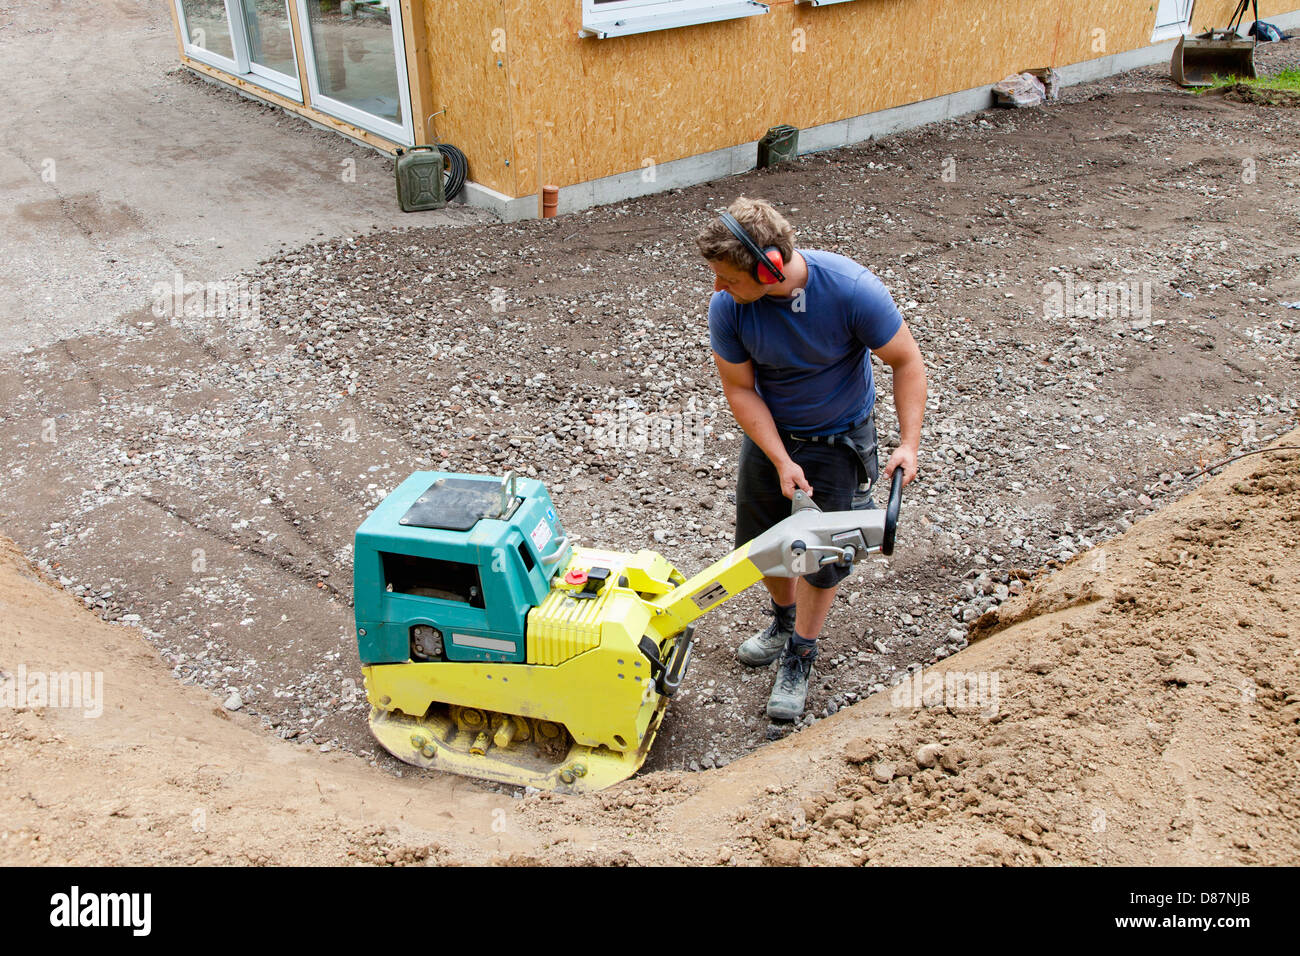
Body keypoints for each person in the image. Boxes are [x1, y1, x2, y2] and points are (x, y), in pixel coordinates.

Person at [696, 196, 927, 721]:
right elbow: (739, 389)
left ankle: (802, 651)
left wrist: (908, 443)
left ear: (769, 266)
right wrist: (778, 458)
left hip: (837, 439)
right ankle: (782, 619)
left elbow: (906, 360)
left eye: (728, 278)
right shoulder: (728, 307)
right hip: (772, 438)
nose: (717, 289)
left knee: (821, 555)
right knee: (764, 543)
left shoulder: (849, 290)